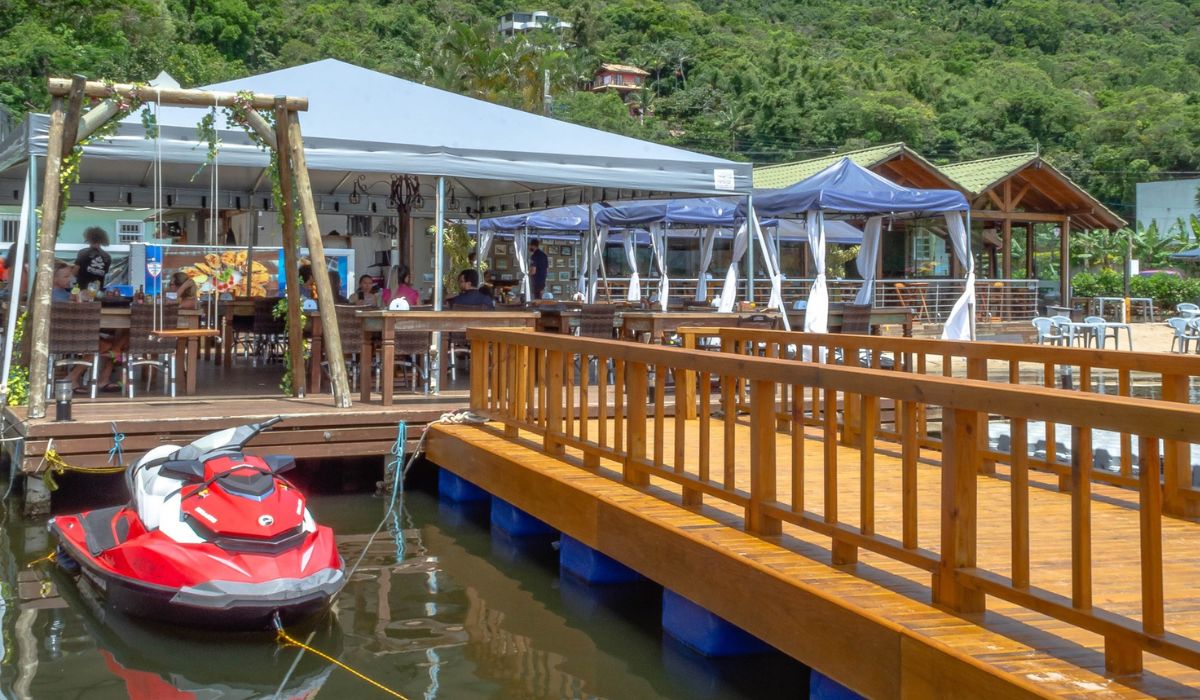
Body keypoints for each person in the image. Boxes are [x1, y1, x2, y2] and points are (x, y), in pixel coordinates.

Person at [73, 226, 112, 291]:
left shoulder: (83, 253)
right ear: (102, 239)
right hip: (98, 291)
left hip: (82, 289)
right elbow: (105, 276)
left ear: (88, 238)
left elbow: (75, 271)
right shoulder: (107, 256)